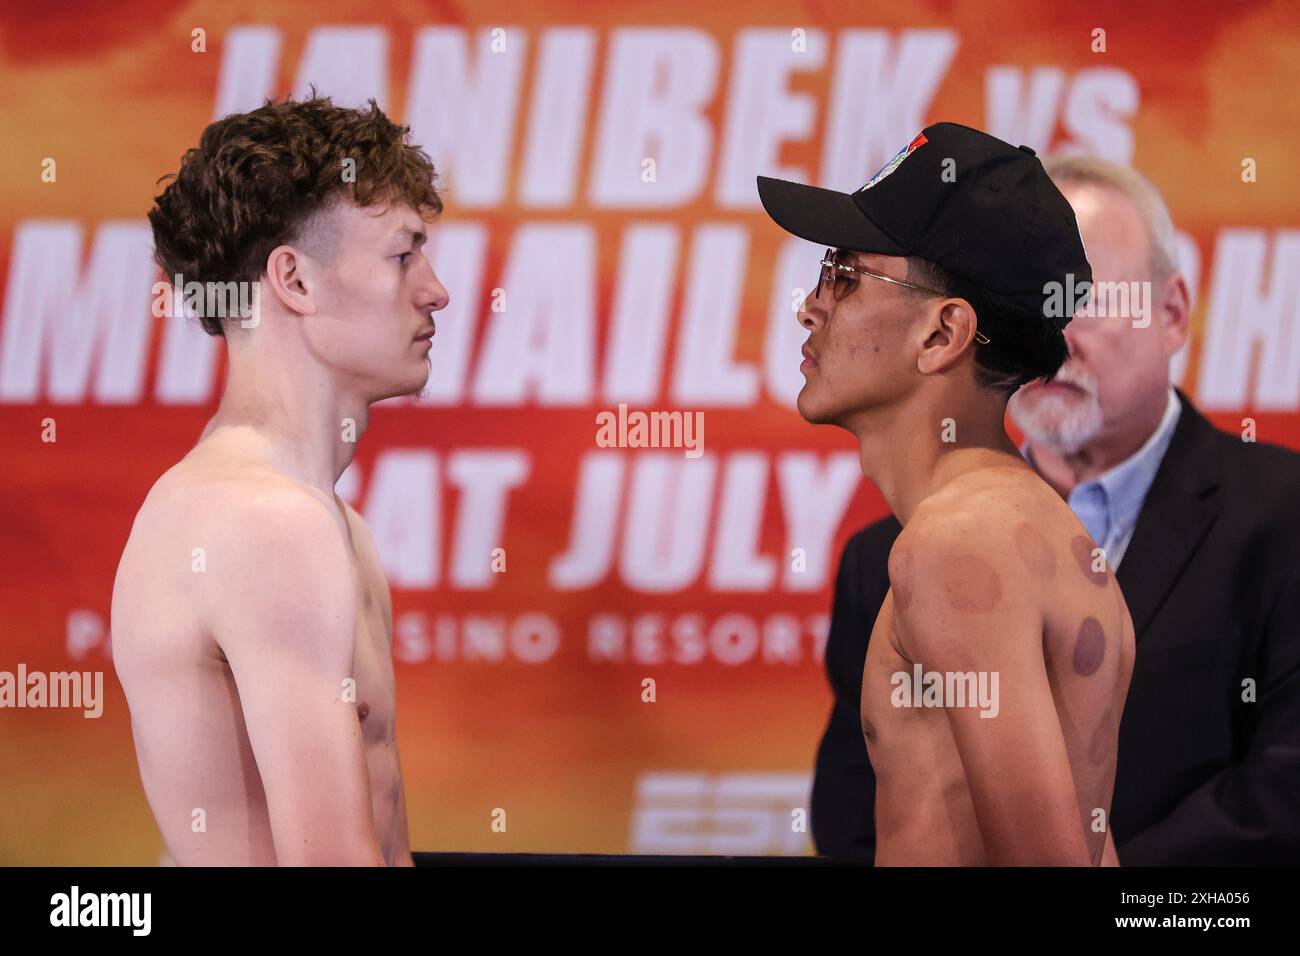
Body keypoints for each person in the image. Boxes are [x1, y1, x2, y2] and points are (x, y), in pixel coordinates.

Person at [811, 155, 1300, 865]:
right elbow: (863, 820)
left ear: (1171, 315)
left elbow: (1284, 791)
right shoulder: (881, 556)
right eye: (1028, 304)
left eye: (1081, 297)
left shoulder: (1282, 517)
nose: (1054, 335)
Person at [758, 123, 1132, 865]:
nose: (809, 305)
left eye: (845, 275)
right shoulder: (1027, 523)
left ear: (942, 335)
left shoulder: (957, 543)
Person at [111, 95, 449, 865]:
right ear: (293, 280)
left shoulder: (323, 520)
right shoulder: (264, 522)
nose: (436, 291)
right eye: (403, 256)